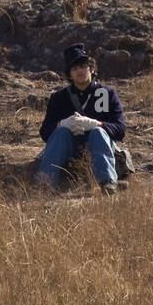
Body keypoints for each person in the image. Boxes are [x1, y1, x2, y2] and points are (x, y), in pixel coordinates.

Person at [37, 44, 126, 195]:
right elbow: (45, 133)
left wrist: (97, 124)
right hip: (69, 146)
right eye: (74, 68)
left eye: (83, 66)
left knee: (98, 132)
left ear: (91, 69)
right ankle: (45, 184)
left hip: (98, 146)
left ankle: (108, 182)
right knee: (60, 133)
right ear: (69, 75)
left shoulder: (107, 93)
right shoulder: (59, 97)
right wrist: (62, 124)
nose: (79, 71)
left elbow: (120, 129)